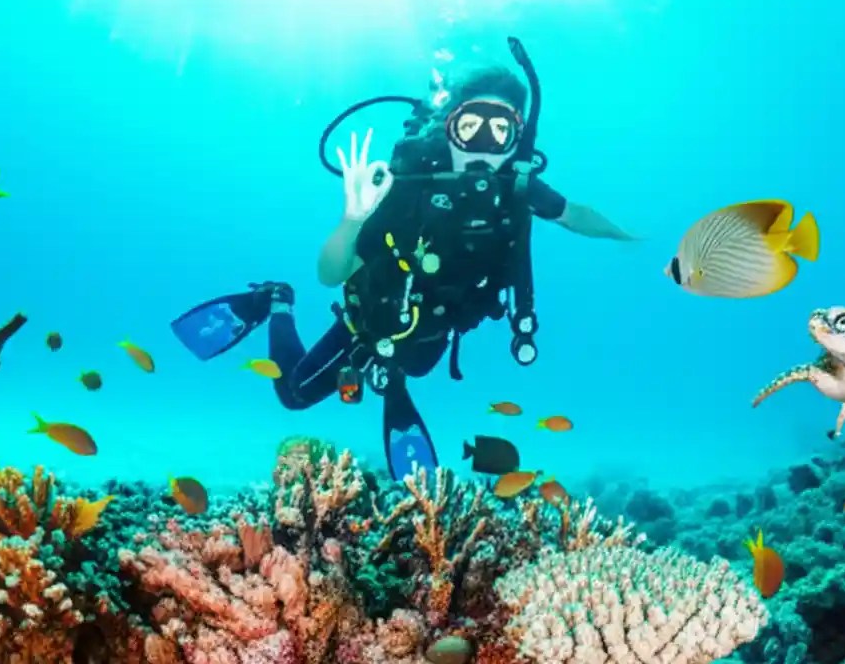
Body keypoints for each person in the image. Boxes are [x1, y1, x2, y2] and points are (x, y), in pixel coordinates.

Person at [171, 38, 632, 480]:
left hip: (434, 329)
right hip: (368, 320)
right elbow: (331, 275)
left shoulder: (517, 189)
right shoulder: (405, 188)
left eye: (500, 131)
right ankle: (275, 301)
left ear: (515, 138)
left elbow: (576, 215)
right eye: (470, 128)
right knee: (294, 395)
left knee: (411, 367)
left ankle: (390, 376)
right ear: (448, 126)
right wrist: (353, 218)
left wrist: (632, 236)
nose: (483, 148)